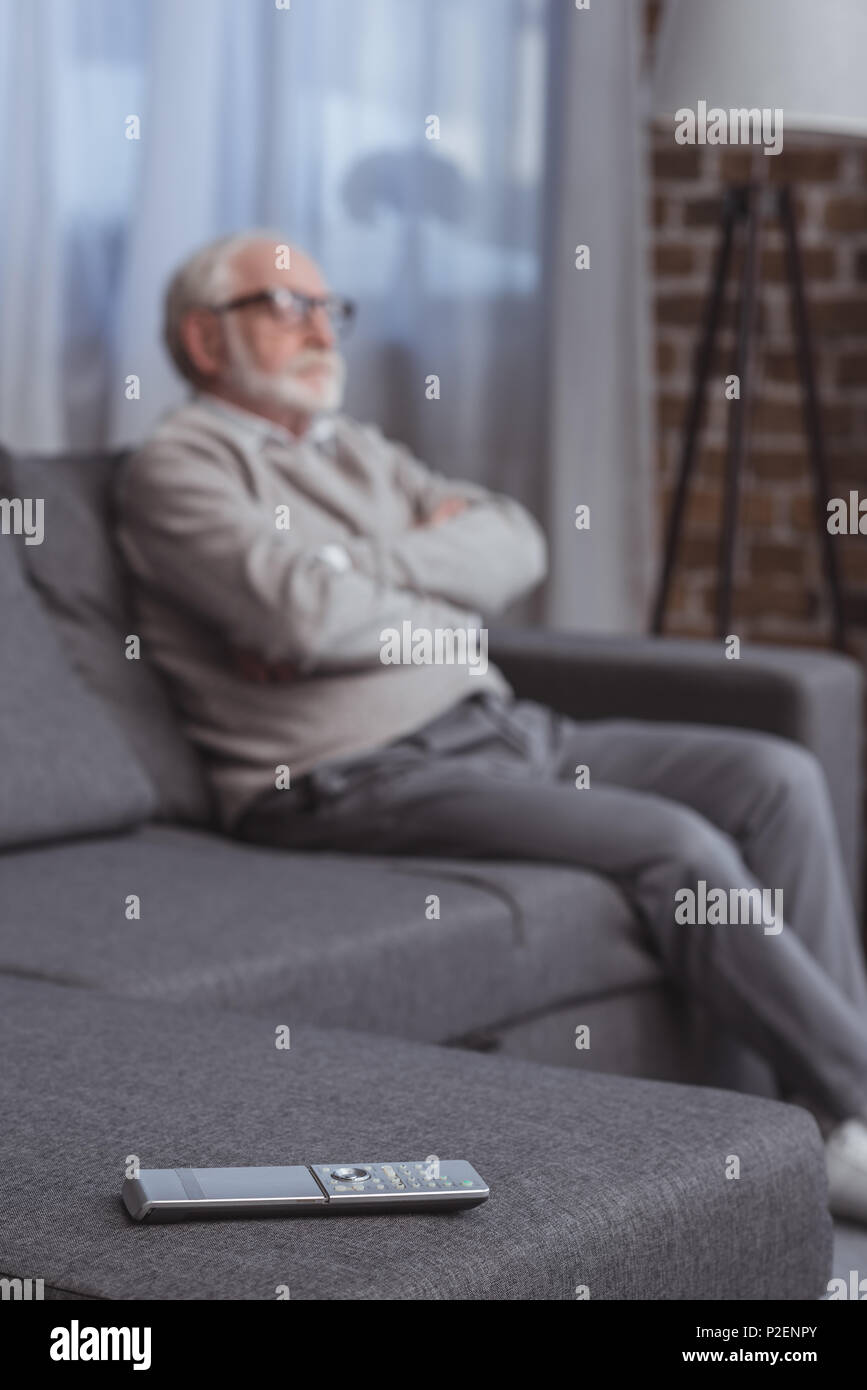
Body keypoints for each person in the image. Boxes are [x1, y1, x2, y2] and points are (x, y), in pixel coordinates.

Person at [118, 230, 867, 1222]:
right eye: (284, 305)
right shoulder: (177, 468)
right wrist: (401, 575)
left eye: (327, 308)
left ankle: (821, 1126)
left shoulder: (355, 450)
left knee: (775, 774)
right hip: (351, 773)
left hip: (504, 727)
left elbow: (514, 543)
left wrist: (349, 568)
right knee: (677, 844)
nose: (318, 328)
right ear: (205, 341)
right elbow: (297, 615)